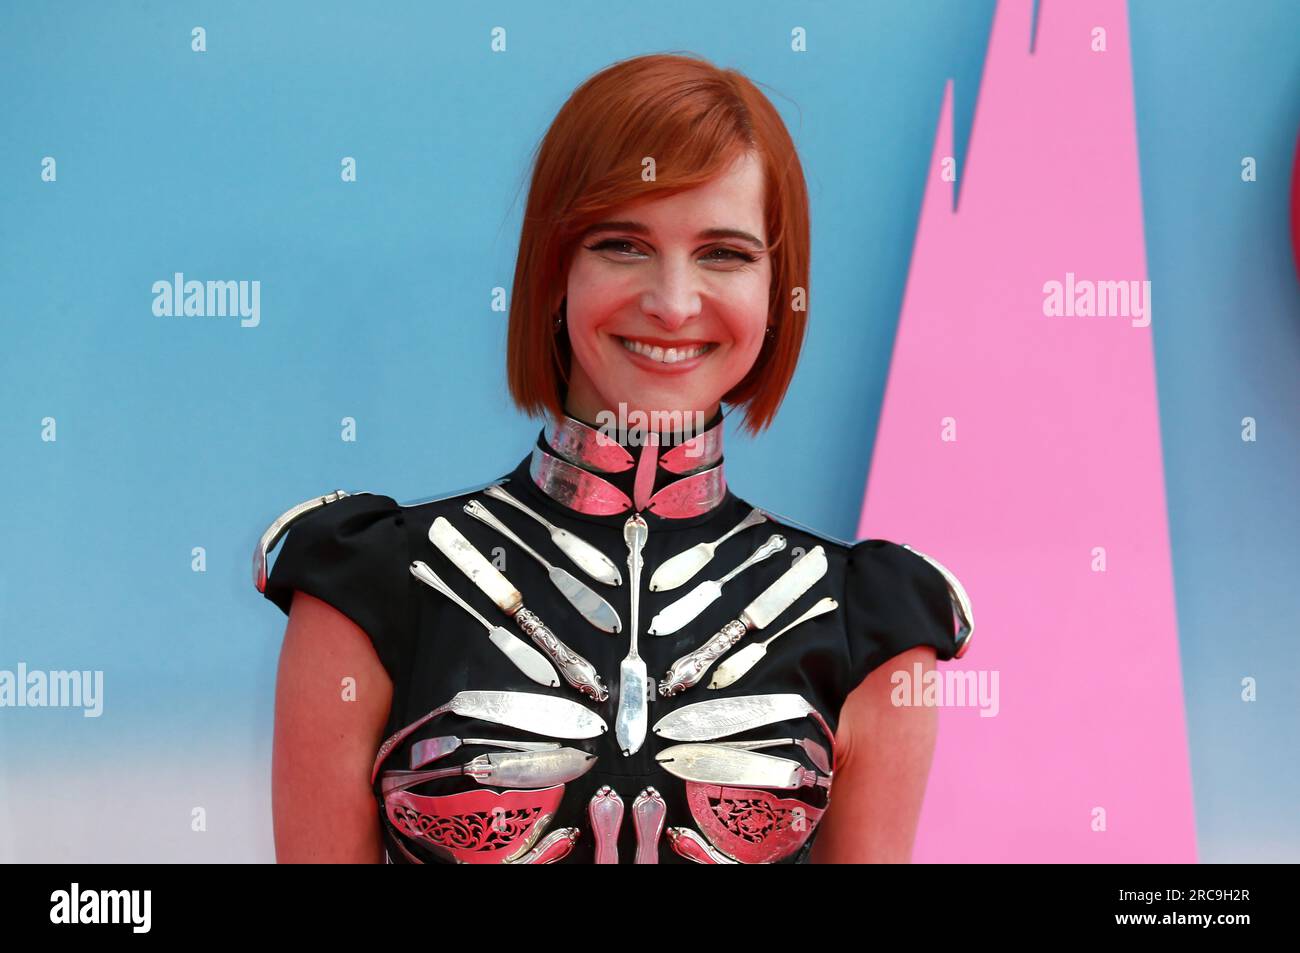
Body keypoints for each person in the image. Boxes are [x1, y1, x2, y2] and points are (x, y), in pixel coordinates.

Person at [255, 52, 973, 864]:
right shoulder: (368, 588)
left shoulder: (871, 624)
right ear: (554, 270)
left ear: (780, 291)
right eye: (623, 245)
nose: (672, 302)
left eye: (725, 254)